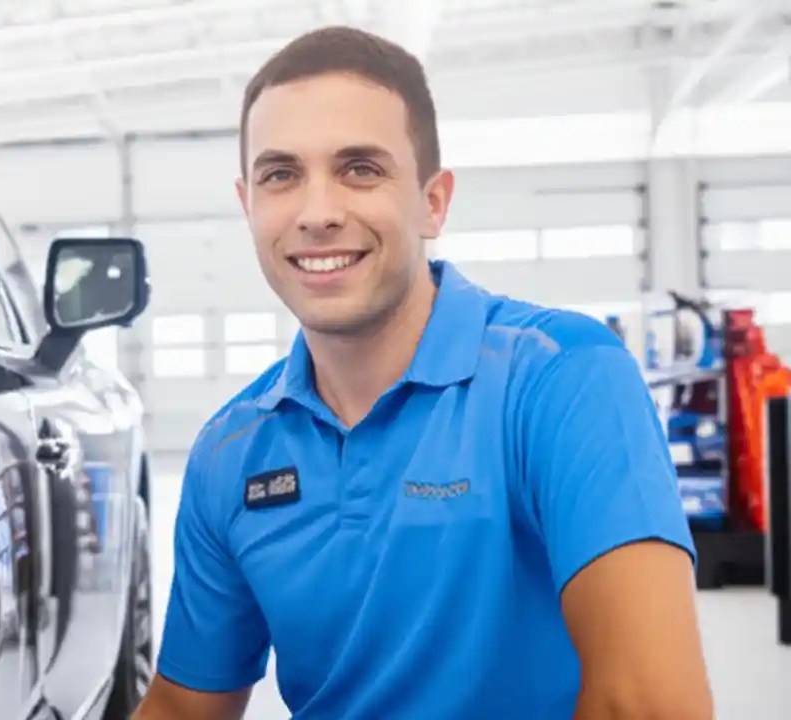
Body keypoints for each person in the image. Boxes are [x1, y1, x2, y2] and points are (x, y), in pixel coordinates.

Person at [132, 26, 713, 720]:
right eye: (281, 175)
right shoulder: (231, 452)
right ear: (249, 203)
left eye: (360, 169)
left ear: (433, 202)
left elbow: (647, 705)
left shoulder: (561, 379)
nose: (318, 213)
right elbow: (184, 707)